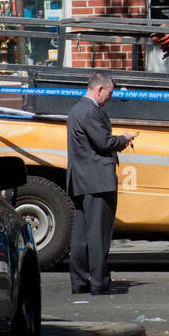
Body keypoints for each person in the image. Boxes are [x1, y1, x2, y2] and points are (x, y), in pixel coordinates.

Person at [66, 72, 137, 296]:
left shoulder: (77, 109)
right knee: (98, 235)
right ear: (99, 90)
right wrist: (124, 139)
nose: (110, 97)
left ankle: (79, 282)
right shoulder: (90, 112)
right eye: (110, 92)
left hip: (81, 180)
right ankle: (99, 282)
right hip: (97, 181)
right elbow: (103, 142)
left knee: (80, 236)